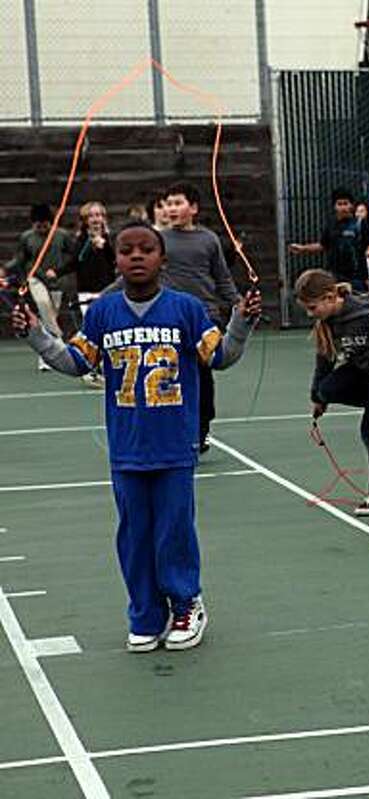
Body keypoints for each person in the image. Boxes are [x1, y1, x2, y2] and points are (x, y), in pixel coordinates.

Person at [12, 220, 258, 652]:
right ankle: (145, 613)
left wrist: (240, 321)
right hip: (126, 448)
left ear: (163, 258)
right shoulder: (104, 311)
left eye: (147, 248)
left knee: (174, 531)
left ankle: (186, 604)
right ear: (117, 259)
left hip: (175, 446)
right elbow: (75, 362)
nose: (137, 256)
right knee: (134, 534)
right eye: (127, 250)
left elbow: (219, 356)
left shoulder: (185, 308)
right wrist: (35, 334)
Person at [296, 269, 369, 517]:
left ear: (330, 297)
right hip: (362, 372)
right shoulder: (326, 323)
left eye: (313, 307)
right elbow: (325, 360)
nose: (310, 314)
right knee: (325, 389)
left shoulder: (368, 314)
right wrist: (318, 399)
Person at [160, 182, 242, 454]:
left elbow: (222, 278)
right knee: (170, 374)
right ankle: (174, 429)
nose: (171, 209)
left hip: (206, 317)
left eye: (177, 203)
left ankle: (202, 429)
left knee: (203, 374)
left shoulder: (209, 240)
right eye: (168, 204)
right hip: (168, 319)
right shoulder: (157, 239)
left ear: (193, 208)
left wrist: (239, 304)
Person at [7, 203, 74, 370]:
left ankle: (46, 355)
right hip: (35, 278)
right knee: (44, 306)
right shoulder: (27, 237)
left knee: (51, 315)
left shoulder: (62, 235)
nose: (41, 228)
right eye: (37, 224)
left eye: (44, 224)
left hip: (57, 281)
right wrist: (5, 270)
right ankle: (58, 340)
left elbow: (73, 257)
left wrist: (59, 271)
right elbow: (20, 259)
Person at [60, 201, 116, 386]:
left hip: (107, 290)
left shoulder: (109, 239)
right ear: (85, 220)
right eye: (91, 216)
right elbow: (75, 261)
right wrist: (58, 272)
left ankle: (108, 368)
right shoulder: (81, 240)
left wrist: (105, 246)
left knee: (110, 329)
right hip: (86, 291)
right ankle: (92, 369)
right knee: (93, 330)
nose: (96, 219)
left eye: (99, 215)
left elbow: (115, 260)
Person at [289, 189, 369, 291]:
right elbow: (323, 245)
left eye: (346, 203)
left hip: (356, 276)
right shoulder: (331, 226)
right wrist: (303, 248)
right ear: (334, 207)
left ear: (351, 206)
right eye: (339, 204)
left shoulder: (359, 225)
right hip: (335, 275)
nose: (343, 207)